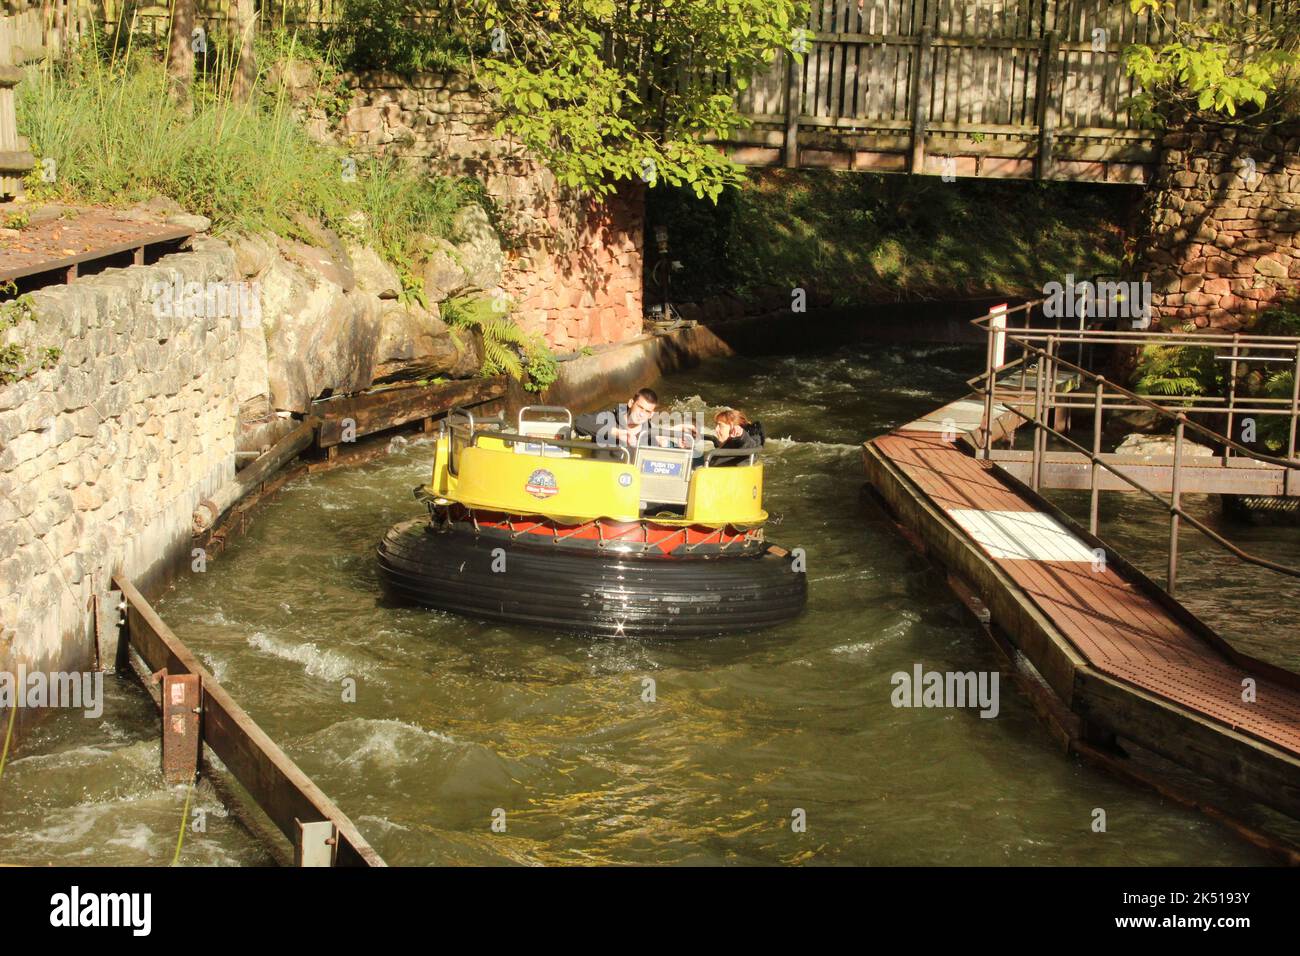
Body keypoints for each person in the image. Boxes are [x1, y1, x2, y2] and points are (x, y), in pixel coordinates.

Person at [574, 387, 697, 451]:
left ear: (651, 415)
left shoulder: (649, 432)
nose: (641, 414)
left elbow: (666, 457)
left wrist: (679, 446)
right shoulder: (609, 419)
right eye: (640, 407)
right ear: (631, 403)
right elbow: (579, 423)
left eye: (647, 411)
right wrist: (617, 433)